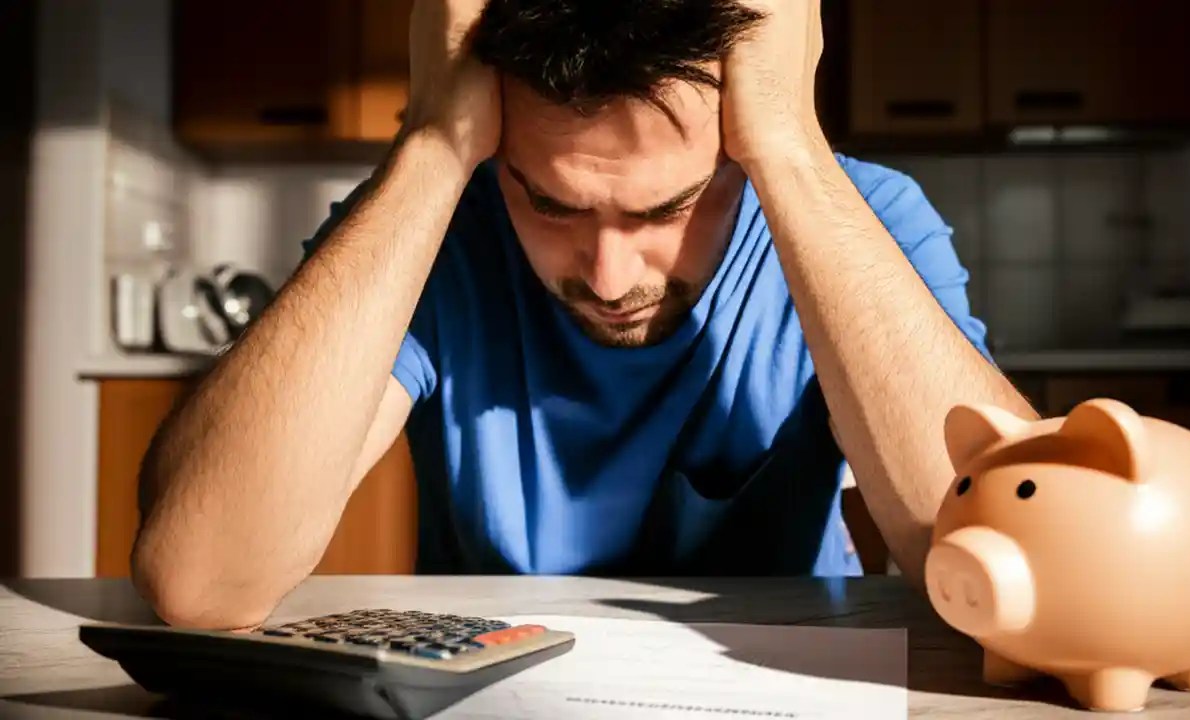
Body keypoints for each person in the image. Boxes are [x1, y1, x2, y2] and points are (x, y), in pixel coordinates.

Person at [132, 0, 1037, 630]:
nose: (609, 279)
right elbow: (202, 580)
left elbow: (1025, 564)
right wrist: (431, 145)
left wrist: (792, 149)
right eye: (552, 205)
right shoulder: (436, 226)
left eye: (669, 210)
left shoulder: (863, 218)